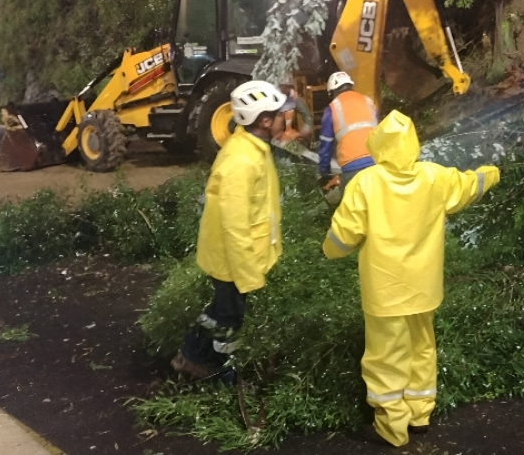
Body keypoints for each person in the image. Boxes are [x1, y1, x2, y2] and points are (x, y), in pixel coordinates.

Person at [321, 111, 499, 447]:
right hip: (424, 287)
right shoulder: (435, 177)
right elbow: (469, 185)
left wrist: (327, 250)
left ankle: (392, 427)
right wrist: (491, 172)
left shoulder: (366, 183)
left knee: (386, 356)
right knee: (422, 348)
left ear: (379, 144)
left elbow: (343, 238)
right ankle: (420, 415)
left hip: (385, 290)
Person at [171, 80, 296, 385]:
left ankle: (190, 355)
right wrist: (248, 274)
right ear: (265, 121)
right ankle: (223, 376)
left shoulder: (254, 147)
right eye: (281, 114)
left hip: (238, 257)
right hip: (234, 260)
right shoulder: (241, 161)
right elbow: (235, 226)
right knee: (230, 321)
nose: (286, 118)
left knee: (220, 312)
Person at [317, 71, 378, 191]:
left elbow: (326, 144)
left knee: (355, 206)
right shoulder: (368, 101)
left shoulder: (332, 108)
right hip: (377, 162)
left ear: (331, 92)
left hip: (351, 166)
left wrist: (324, 172)